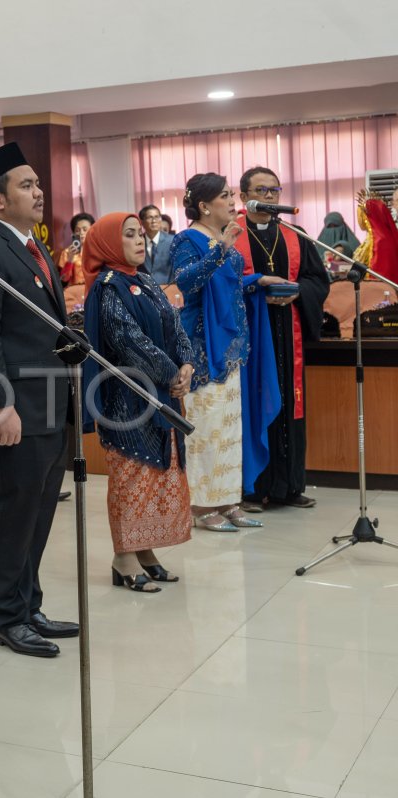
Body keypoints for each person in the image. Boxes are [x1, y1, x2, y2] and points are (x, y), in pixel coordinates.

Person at [0, 142, 78, 658]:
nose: (38, 192)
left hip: (50, 404)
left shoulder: (32, 246)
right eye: (26, 185)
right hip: (17, 410)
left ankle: (28, 604)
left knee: (40, 511)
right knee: (12, 513)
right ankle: (6, 616)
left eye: (37, 183)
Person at [81, 213, 194, 592]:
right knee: (132, 478)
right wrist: (169, 373)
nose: (139, 240)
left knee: (158, 475)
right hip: (127, 401)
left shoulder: (145, 280)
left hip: (161, 394)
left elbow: (175, 326)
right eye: (129, 235)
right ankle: (124, 557)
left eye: (141, 234)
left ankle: (145, 551)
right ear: (109, 242)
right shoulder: (107, 287)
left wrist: (187, 364)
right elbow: (126, 340)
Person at [169, 172, 283, 532]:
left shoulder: (223, 238)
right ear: (203, 206)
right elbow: (184, 282)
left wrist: (257, 281)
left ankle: (229, 499)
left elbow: (229, 284)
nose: (232, 201)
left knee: (229, 427)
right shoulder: (187, 239)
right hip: (203, 345)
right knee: (206, 426)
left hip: (231, 343)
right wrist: (220, 250)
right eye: (224, 196)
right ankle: (202, 505)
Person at [235, 167, 330, 511]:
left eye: (275, 190)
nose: (271, 197)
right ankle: (252, 489)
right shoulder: (231, 235)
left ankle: (290, 486)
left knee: (292, 404)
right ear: (243, 195)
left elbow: (318, 280)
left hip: (288, 335)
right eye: (262, 190)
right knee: (255, 407)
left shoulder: (295, 233)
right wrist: (257, 293)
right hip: (250, 338)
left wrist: (297, 293)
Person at [55, 212, 93, 287]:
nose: (81, 233)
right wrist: (70, 259)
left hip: (94, 292)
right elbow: (63, 280)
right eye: (77, 230)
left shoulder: (98, 251)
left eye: (85, 229)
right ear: (74, 233)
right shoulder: (67, 252)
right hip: (74, 294)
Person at [139, 204, 175, 284]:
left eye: (157, 217)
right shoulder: (138, 241)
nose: (154, 220)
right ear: (142, 222)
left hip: (167, 288)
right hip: (144, 288)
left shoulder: (172, 240)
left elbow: (176, 269)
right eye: (150, 217)